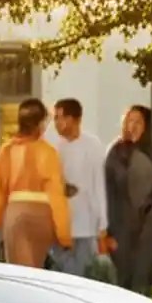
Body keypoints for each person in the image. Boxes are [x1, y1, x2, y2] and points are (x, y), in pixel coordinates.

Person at [0, 98, 73, 267]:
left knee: (20, 275)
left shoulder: (7, 151)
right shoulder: (49, 152)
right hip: (43, 217)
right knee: (35, 271)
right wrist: (64, 234)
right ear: (40, 124)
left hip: (17, 214)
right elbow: (57, 196)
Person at [104, 105, 152, 296]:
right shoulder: (114, 153)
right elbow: (107, 191)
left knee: (142, 281)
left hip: (147, 229)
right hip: (119, 227)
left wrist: (151, 217)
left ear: (146, 126)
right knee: (121, 281)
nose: (132, 126)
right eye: (128, 120)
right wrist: (106, 231)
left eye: (137, 121)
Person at [45, 98, 113, 276]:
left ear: (75, 119)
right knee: (63, 270)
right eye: (55, 118)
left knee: (80, 273)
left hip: (85, 223)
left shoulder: (93, 145)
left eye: (61, 118)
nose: (57, 123)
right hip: (59, 222)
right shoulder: (53, 144)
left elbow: (99, 183)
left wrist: (102, 222)